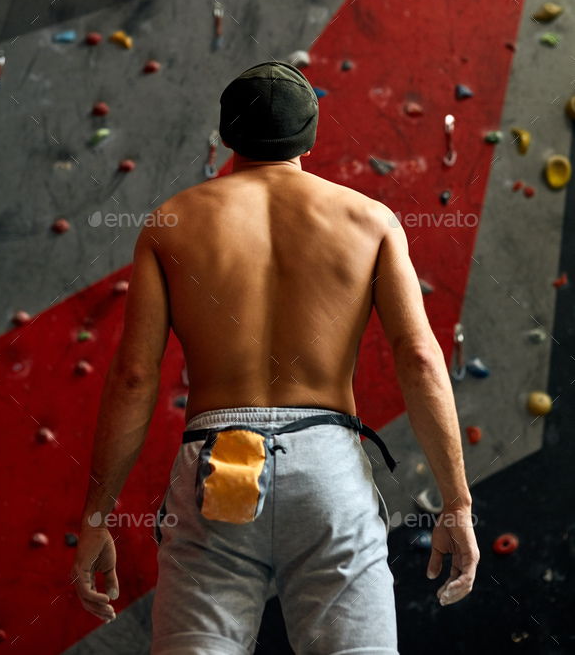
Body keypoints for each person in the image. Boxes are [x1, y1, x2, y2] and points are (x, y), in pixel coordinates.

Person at [71, 61, 479, 655]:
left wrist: (94, 518)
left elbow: (135, 377)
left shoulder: (171, 224)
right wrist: (458, 502)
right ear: (308, 137)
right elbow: (418, 358)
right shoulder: (371, 221)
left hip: (220, 470)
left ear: (227, 136)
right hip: (328, 469)